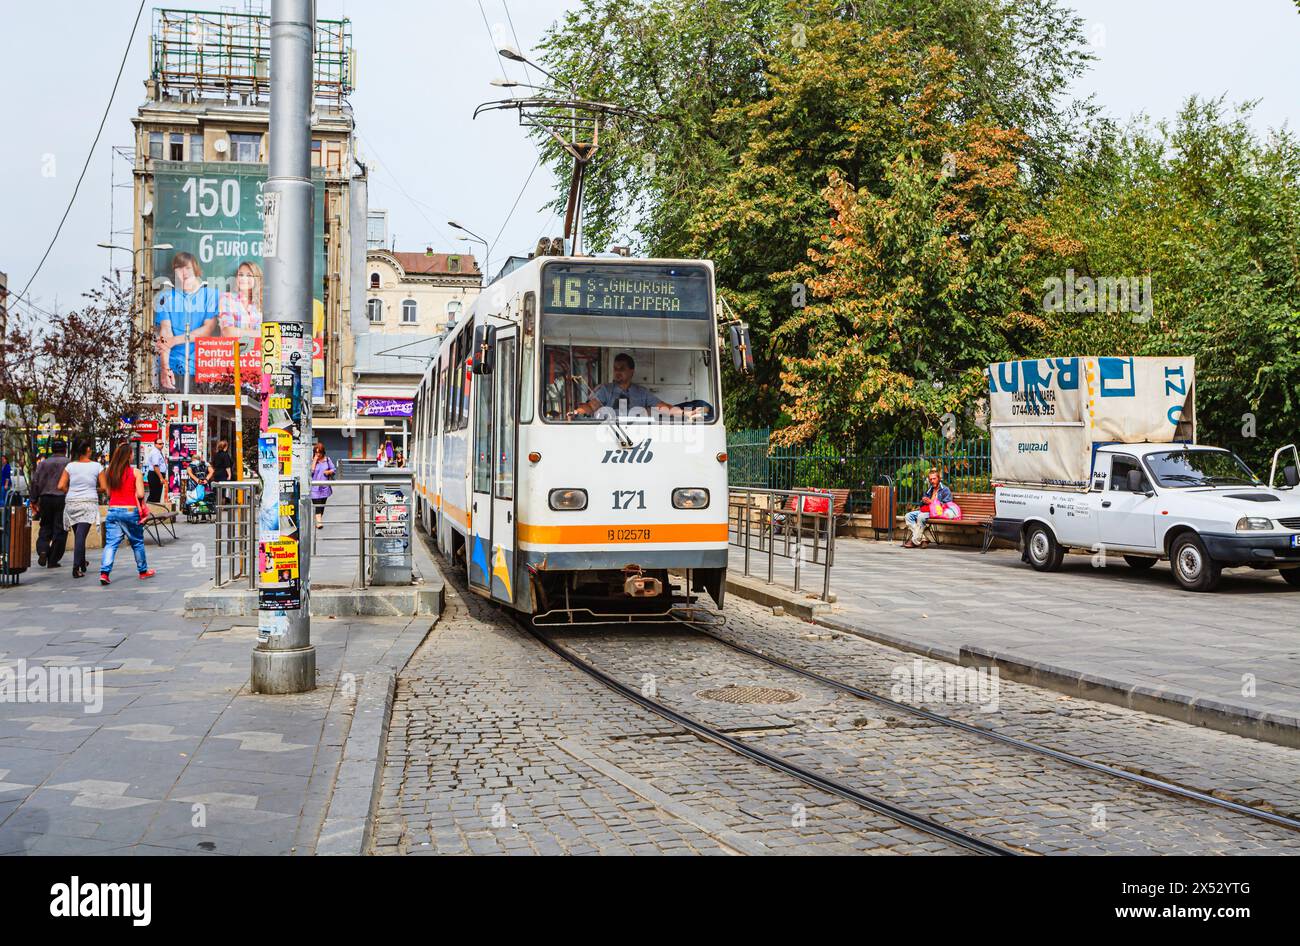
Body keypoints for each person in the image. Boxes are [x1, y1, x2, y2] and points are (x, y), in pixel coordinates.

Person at [568, 353, 705, 420]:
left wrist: (686, 413)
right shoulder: (605, 390)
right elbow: (591, 407)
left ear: (631, 371)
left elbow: (663, 407)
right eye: (615, 368)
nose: (617, 372)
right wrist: (578, 411)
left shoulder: (641, 393)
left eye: (622, 368)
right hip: (608, 437)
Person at [155, 251, 219, 392]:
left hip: (202, 367)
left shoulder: (211, 295)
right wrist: (165, 368)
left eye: (188, 268)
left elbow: (207, 330)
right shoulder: (165, 297)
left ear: (196, 270)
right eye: (179, 268)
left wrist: (175, 340)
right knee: (170, 412)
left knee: (201, 413)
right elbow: (165, 332)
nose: (183, 273)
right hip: (173, 366)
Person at [99, 443, 153, 585]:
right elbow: (141, 494)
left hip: (113, 510)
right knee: (137, 542)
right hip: (130, 511)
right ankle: (143, 571)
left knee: (111, 543)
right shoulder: (135, 472)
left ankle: (105, 573)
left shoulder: (109, 472)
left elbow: (109, 493)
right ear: (129, 456)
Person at [58, 441, 103, 579]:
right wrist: (93, 490)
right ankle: (76, 567)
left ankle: (82, 563)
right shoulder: (97, 466)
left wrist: (71, 491)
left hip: (71, 503)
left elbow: (60, 486)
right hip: (88, 503)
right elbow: (104, 487)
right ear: (88, 449)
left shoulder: (70, 466)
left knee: (79, 533)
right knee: (81, 535)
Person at [31, 440, 71, 568]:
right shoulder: (69, 463)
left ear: (52, 450)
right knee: (60, 529)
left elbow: (35, 482)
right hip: (62, 498)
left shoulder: (43, 464)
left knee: (45, 526)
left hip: (45, 498)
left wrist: (33, 499)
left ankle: (43, 549)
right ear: (64, 449)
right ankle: (53, 559)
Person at [904, 468, 953, 549]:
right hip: (926, 511)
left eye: (934, 478)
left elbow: (947, 505)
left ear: (939, 479)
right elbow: (921, 504)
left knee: (921, 517)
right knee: (908, 516)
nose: (932, 481)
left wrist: (932, 502)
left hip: (937, 513)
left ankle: (914, 541)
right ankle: (924, 539)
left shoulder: (945, 490)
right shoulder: (929, 490)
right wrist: (923, 501)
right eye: (930, 479)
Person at [311, 443, 337, 530]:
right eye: (316, 452)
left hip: (324, 487)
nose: (318, 454)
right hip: (314, 488)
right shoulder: (312, 460)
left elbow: (333, 469)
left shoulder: (327, 460)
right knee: (317, 504)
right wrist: (314, 461)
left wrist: (329, 472)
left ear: (323, 452)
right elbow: (310, 472)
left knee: (321, 506)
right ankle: (319, 522)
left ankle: (318, 520)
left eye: (320, 452)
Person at [142, 438, 167, 503]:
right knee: (154, 495)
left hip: (157, 475)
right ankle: (149, 510)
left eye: (162, 444)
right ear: (155, 444)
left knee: (156, 495)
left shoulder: (158, 452)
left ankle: (153, 510)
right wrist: (161, 478)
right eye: (159, 444)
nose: (161, 445)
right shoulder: (155, 452)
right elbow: (155, 466)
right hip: (155, 475)